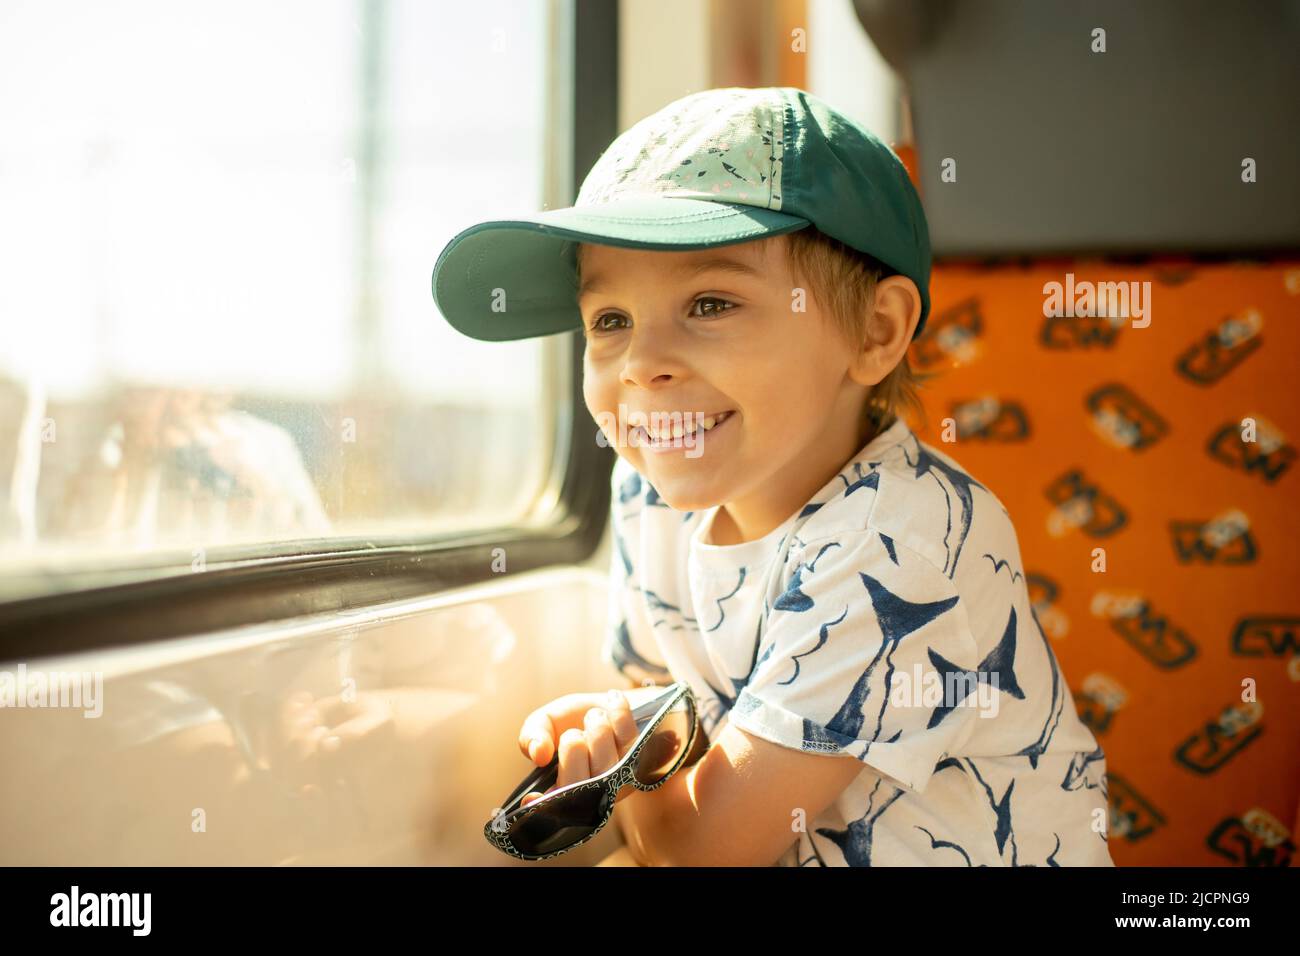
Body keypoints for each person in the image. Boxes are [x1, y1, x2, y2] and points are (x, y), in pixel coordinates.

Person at [431, 86, 1113, 867]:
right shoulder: (648, 496)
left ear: (875, 330)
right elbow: (671, 708)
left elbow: (701, 850)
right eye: (609, 321)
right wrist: (620, 736)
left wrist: (624, 783)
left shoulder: (899, 541)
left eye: (710, 303)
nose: (643, 364)